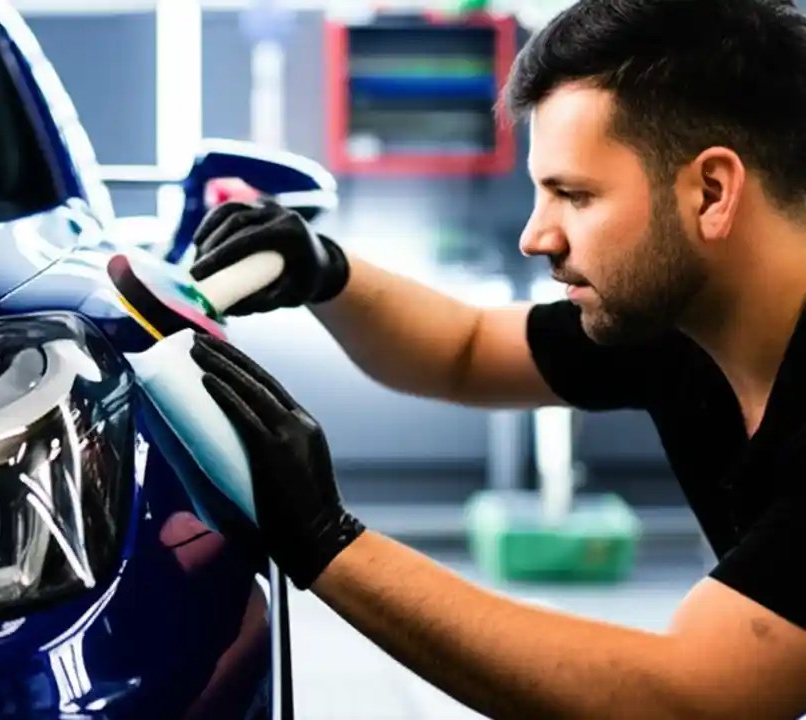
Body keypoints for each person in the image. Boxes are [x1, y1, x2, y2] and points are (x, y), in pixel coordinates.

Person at [187, 0, 806, 717]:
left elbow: (686, 697)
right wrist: (324, 271)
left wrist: (328, 542)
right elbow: (465, 350)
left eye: (574, 195)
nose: (536, 236)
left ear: (711, 192)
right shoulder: (683, 327)